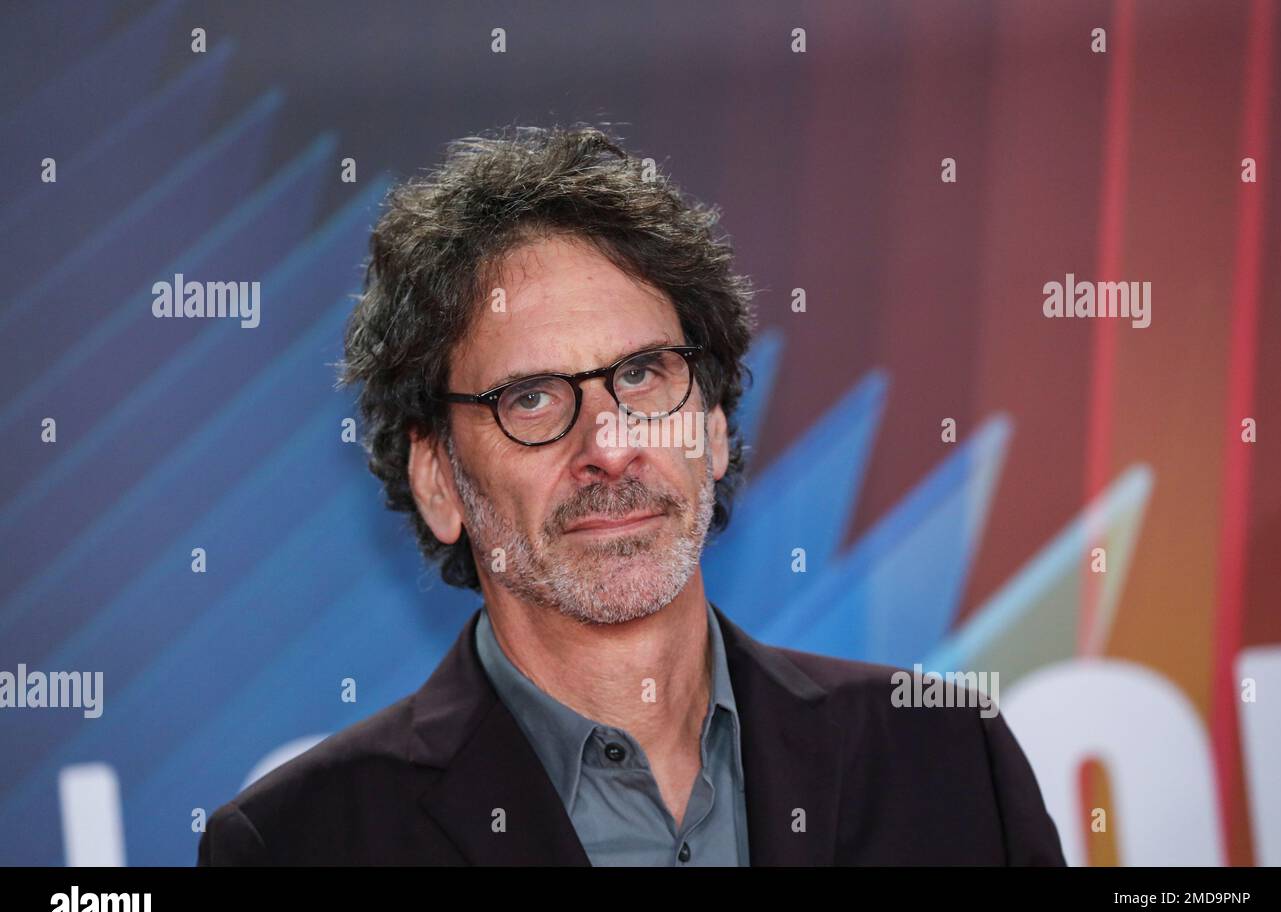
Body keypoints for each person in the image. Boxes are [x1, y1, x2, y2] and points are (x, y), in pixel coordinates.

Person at [197, 124, 1066, 866]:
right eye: (530, 398)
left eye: (644, 375)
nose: (609, 448)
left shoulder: (945, 755)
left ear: (715, 428)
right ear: (439, 481)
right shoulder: (301, 845)